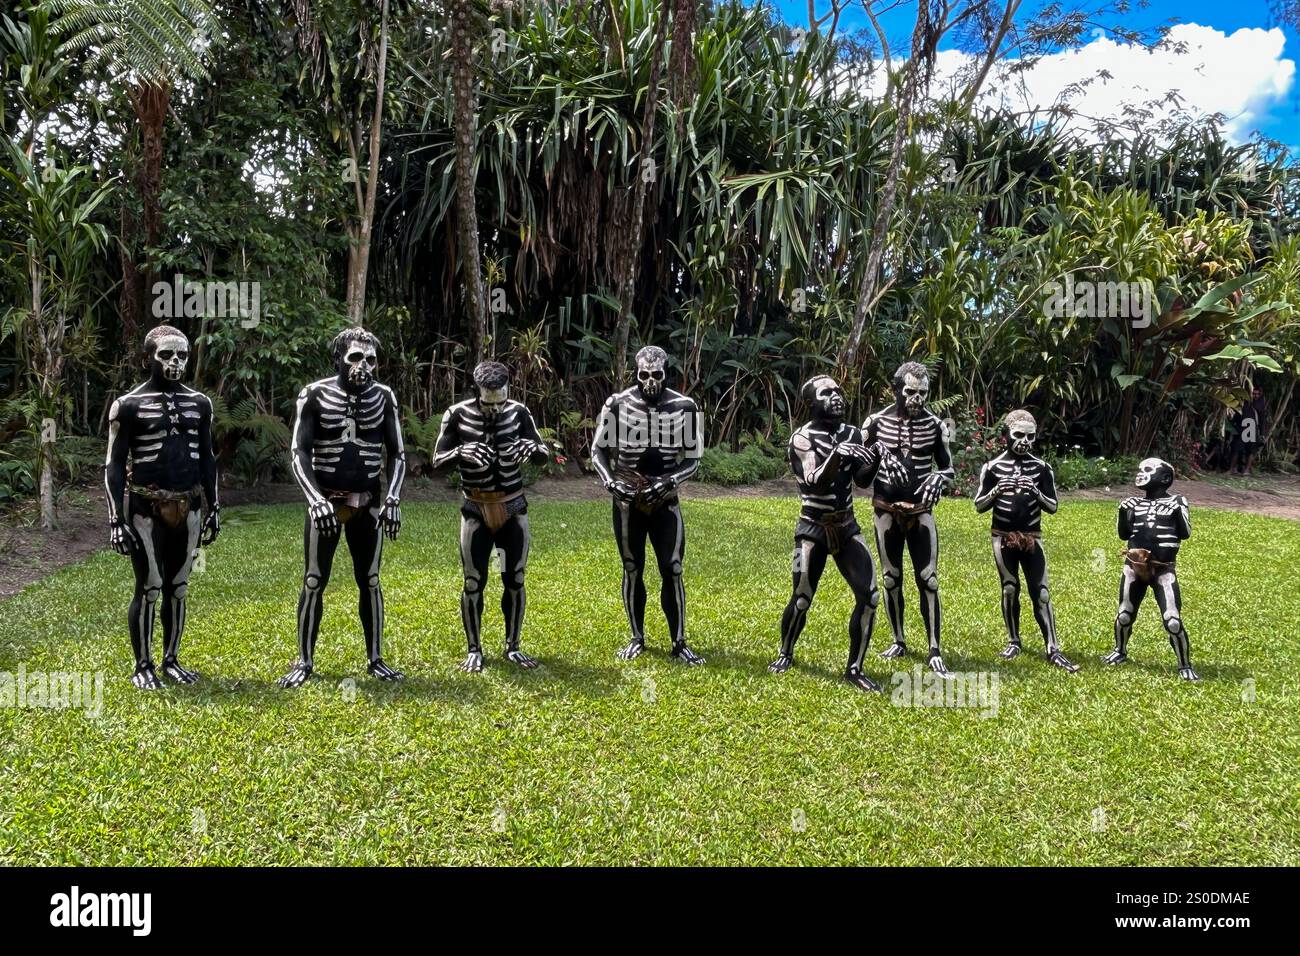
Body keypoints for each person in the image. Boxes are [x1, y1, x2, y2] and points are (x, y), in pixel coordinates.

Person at [279, 327, 406, 688]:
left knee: (371, 580)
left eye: (370, 360)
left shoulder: (384, 397)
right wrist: (315, 499)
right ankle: (304, 660)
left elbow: (397, 453)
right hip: (326, 503)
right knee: (314, 579)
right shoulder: (314, 395)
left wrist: (393, 498)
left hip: (368, 504)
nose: (363, 366)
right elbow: (298, 451)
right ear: (338, 359)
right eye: (355, 357)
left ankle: (376, 658)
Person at [770, 375, 906, 691]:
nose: (837, 397)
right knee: (802, 598)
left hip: (846, 526)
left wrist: (875, 456)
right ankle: (786, 651)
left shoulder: (852, 434)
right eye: (827, 393)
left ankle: (855, 668)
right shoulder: (801, 439)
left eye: (839, 392)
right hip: (812, 528)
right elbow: (814, 479)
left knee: (870, 596)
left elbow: (860, 480)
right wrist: (839, 453)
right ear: (811, 403)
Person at [104, 325, 220, 689]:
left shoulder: (200, 404)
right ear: (147, 359)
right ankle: (143, 665)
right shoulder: (128, 406)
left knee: (180, 585)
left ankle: (171, 659)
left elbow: (208, 458)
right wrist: (115, 521)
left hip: (191, 506)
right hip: (145, 509)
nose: (175, 362)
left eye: (182, 355)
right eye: (166, 355)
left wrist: (215, 506)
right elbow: (112, 464)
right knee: (150, 586)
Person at [432, 361, 551, 672]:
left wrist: (531, 449)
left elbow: (543, 455)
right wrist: (461, 453)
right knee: (473, 581)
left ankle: (513, 646)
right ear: (477, 391)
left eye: (501, 400)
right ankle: (474, 649)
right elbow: (436, 462)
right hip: (475, 507)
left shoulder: (520, 412)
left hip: (513, 506)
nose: (495, 409)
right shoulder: (456, 415)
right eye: (489, 402)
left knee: (515, 578)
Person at [591, 346, 705, 664]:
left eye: (657, 375)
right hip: (627, 498)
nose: (650, 382)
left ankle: (679, 641)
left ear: (667, 372)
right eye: (644, 375)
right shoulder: (617, 404)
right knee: (631, 568)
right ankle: (637, 636)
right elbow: (597, 452)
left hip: (665, 498)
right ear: (635, 374)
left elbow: (693, 459)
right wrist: (610, 482)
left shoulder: (685, 407)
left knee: (673, 568)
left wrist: (669, 482)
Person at [862, 362, 956, 676]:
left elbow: (948, 467)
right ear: (896, 389)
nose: (917, 399)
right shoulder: (875, 423)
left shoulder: (935, 425)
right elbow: (860, 471)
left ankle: (934, 649)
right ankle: (898, 640)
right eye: (911, 392)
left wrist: (938, 479)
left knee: (928, 579)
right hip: (886, 509)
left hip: (920, 511)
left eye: (923, 393)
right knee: (890, 578)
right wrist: (879, 455)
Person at [973, 410, 1078, 671]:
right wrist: (997, 490)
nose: (1025, 441)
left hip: (1033, 536)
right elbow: (978, 505)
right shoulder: (993, 468)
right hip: (1002, 537)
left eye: (1030, 437)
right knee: (1009, 588)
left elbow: (1053, 506)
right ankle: (1013, 640)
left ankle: (1052, 647)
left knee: (1041, 592)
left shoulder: (1042, 468)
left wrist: (1035, 491)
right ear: (1006, 436)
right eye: (1019, 435)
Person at [1102, 458, 1198, 681]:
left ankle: (1184, 664)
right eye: (1139, 469)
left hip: (1163, 569)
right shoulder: (1134, 503)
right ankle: (1120, 651)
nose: (1140, 473)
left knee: (1172, 619)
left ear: (1164, 478)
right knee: (1124, 614)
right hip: (1133, 567)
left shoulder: (1178, 501)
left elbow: (1185, 533)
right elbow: (1124, 535)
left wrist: (1175, 511)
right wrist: (1121, 513)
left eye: (1147, 470)